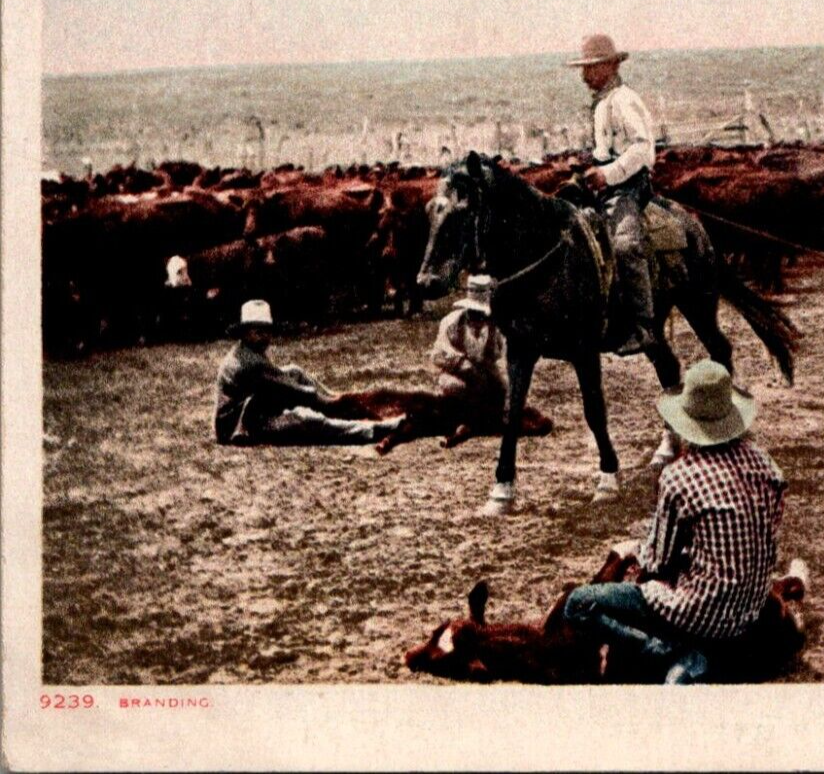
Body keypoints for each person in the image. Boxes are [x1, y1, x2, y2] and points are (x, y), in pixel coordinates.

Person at [564, 360, 787, 683]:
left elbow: (658, 562)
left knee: (578, 604)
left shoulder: (679, 476)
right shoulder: (767, 467)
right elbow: (766, 533)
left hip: (698, 613)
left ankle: (664, 651)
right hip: (747, 611)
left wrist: (635, 552)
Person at [566, 34, 657, 356]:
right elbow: (607, 149)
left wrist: (607, 174)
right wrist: (588, 161)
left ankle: (644, 326)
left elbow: (642, 148)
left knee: (625, 245)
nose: (584, 76)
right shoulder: (602, 103)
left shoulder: (625, 100)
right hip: (606, 182)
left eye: (591, 68)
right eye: (584, 68)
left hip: (630, 185)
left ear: (611, 66)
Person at [214, 299, 405, 446]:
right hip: (240, 427)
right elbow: (295, 391)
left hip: (252, 409)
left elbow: (283, 381)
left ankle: (342, 408)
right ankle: (373, 430)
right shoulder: (251, 362)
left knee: (294, 371)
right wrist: (327, 402)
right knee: (308, 421)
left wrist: (331, 399)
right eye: (258, 332)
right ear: (245, 333)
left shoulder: (247, 350)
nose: (265, 337)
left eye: (267, 331)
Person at [430, 275, 507, 418]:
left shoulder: (494, 326)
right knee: (456, 388)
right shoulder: (452, 322)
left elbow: (498, 356)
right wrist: (461, 363)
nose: (478, 317)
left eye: (481, 313)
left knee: (501, 388)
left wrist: (490, 375)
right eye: (474, 311)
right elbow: (436, 356)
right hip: (456, 374)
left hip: (483, 374)